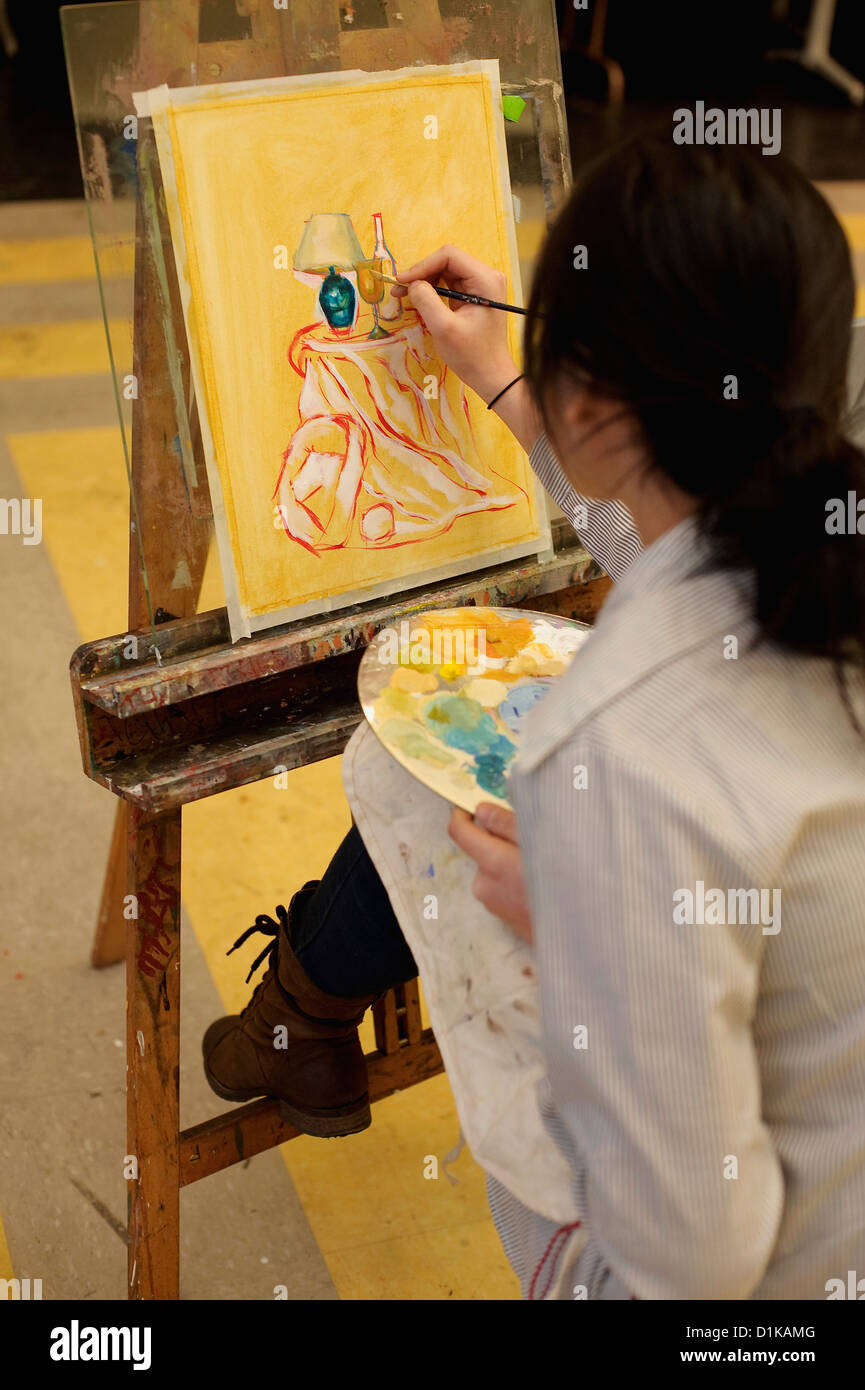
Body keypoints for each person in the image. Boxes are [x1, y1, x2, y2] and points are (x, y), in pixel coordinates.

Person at [203, 137, 865, 1299]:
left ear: (589, 399)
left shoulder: (622, 754)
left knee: (400, 773)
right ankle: (304, 1004)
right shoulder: (820, 543)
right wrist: (510, 382)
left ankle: (302, 1005)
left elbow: (695, 1262)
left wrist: (587, 930)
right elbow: (673, 538)